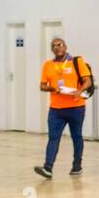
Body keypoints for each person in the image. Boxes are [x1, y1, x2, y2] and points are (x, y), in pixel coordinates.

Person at [35, 37, 92, 179]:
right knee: (53, 138)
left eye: (59, 45)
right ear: (51, 49)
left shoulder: (77, 61)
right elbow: (42, 86)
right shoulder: (47, 65)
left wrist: (79, 91)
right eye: (53, 46)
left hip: (76, 107)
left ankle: (77, 165)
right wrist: (52, 88)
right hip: (56, 109)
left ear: (65, 46)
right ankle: (48, 167)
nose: (57, 47)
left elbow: (87, 80)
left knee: (76, 136)